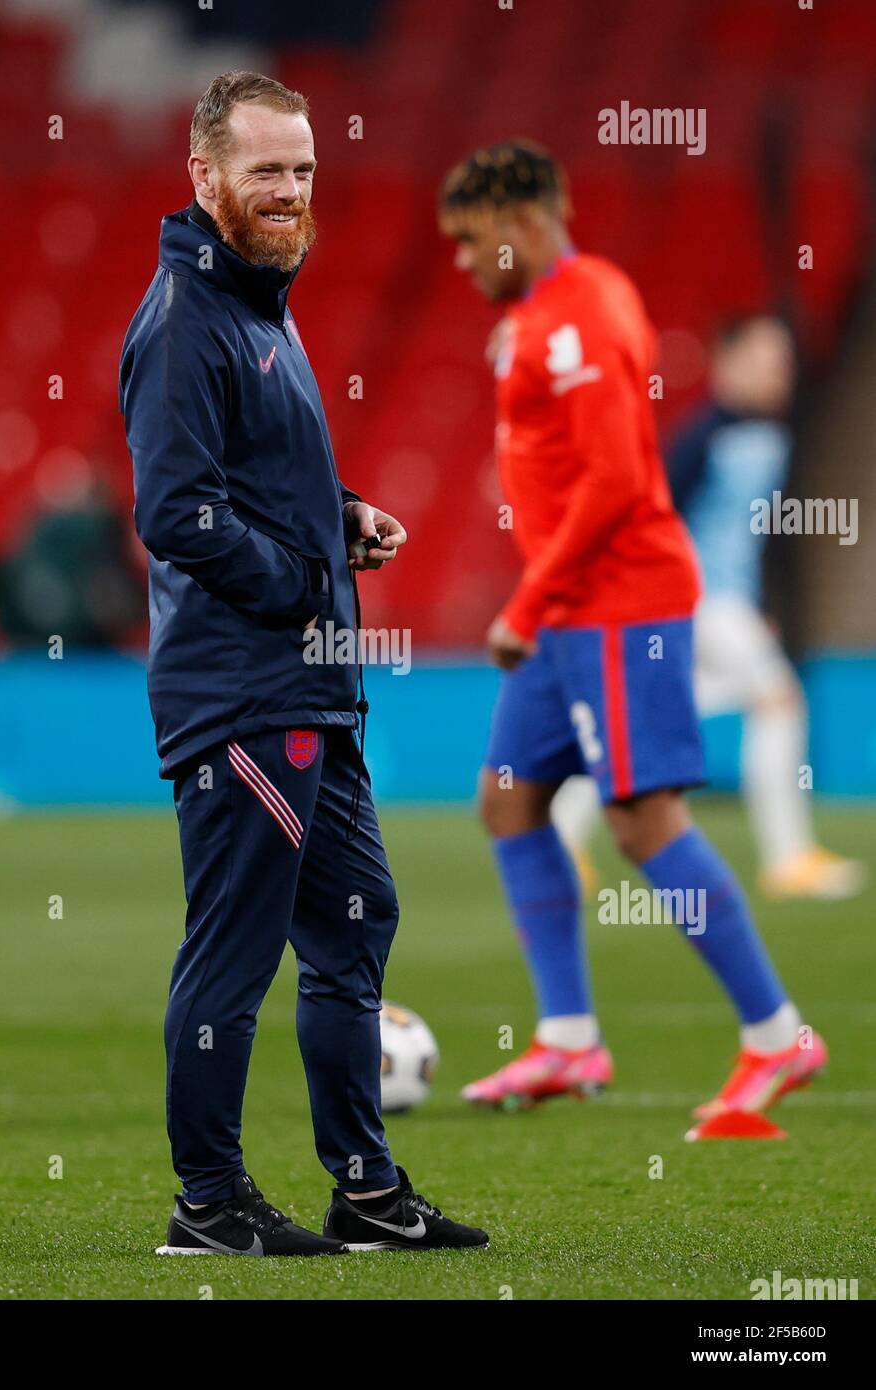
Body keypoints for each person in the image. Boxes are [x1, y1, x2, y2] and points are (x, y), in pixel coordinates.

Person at [120, 71, 487, 1255]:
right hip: (245, 689)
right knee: (233, 947)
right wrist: (303, 580)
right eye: (267, 170)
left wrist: (338, 519)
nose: (288, 191)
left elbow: (251, 490)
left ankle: (364, 1188)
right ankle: (209, 1204)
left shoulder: (258, 309)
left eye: (304, 170)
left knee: (357, 913)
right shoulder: (185, 318)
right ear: (206, 177)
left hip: (307, 682)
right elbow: (178, 513)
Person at [438, 140, 827, 1118]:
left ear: (523, 225)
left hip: (621, 605)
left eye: (472, 240)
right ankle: (570, 1042)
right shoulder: (557, 313)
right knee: (511, 800)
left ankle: (776, 1036)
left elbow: (616, 481)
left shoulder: (579, 318)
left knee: (642, 820)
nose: (462, 261)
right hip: (571, 604)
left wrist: (523, 606)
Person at [551, 315, 865, 901]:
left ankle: (562, 834)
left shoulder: (771, 438)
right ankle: (788, 857)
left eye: (785, 362)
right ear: (728, 363)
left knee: (647, 719)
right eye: (766, 359)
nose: (780, 373)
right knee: (779, 701)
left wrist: (759, 604)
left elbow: (754, 537)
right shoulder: (703, 439)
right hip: (697, 601)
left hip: (724, 603)